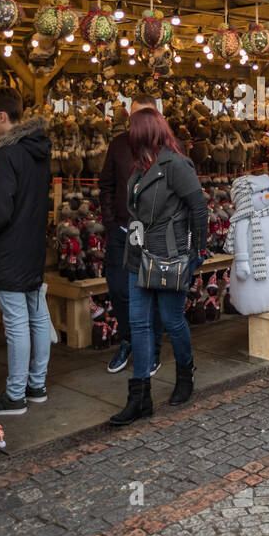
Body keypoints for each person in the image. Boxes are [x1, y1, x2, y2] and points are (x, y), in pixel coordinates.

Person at [110, 107, 207, 426]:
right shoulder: (139, 168)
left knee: (170, 319)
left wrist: (196, 252)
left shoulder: (175, 164)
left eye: (132, 130)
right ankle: (140, 397)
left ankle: (185, 372)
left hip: (169, 255)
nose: (127, 135)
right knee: (138, 324)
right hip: (138, 255)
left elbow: (199, 208)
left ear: (145, 133)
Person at [0, 88, 53, 416]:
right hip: (33, 243)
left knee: (17, 320)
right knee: (35, 312)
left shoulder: (6, 155)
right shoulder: (38, 150)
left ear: (3, 116)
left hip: (9, 246)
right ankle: (36, 384)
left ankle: (16, 394)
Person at [100, 119, 163, 376]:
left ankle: (152, 349)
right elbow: (106, 184)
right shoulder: (118, 145)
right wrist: (110, 222)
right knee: (118, 287)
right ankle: (128, 340)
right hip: (122, 230)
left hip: (153, 232)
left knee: (153, 290)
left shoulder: (165, 146)